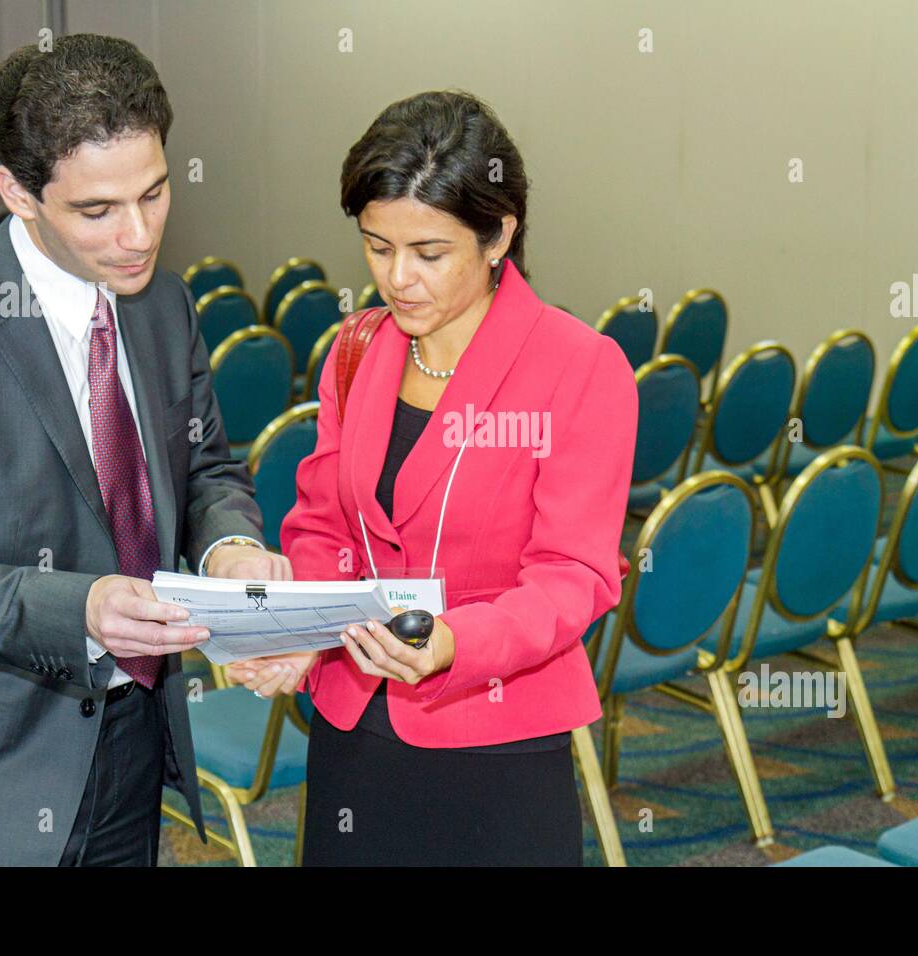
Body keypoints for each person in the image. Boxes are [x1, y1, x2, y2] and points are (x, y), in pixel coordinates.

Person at [0, 33, 288, 866]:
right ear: (17, 192)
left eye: (155, 195)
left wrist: (233, 546)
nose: (137, 235)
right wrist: (81, 609)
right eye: (96, 211)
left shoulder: (162, 304)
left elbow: (204, 468)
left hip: (133, 740)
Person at [229, 90, 638, 865]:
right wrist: (304, 637)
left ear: (498, 236)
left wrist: (456, 643)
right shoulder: (356, 347)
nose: (398, 279)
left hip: (495, 730)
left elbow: (571, 574)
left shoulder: (579, 367)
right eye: (377, 247)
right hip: (355, 724)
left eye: (429, 253)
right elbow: (323, 525)